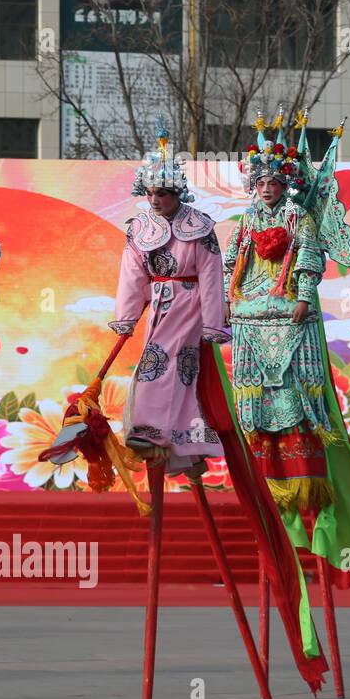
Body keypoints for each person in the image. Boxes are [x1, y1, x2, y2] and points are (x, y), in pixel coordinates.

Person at [225, 112, 350, 617]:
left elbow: (310, 256)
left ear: (284, 183)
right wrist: (229, 296)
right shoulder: (248, 220)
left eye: (274, 181)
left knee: (297, 395)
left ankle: (309, 495)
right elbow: (235, 261)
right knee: (259, 403)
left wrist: (299, 293)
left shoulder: (301, 218)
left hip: (289, 307)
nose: (267, 188)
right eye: (261, 181)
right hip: (253, 307)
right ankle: (270, 479)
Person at [109, 122, 228, 476]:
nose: (156, 200)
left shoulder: (200, 227)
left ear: (177, 193)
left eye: (162, 193)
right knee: (177, 371)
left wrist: (212, 322)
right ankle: (186, 448)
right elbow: (132, 276)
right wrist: (127, 317)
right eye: (151, 193)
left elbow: (210, 275)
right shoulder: (139, 228)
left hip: (189, 305)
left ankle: (149, 429)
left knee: (162, 364)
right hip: (160, 303)